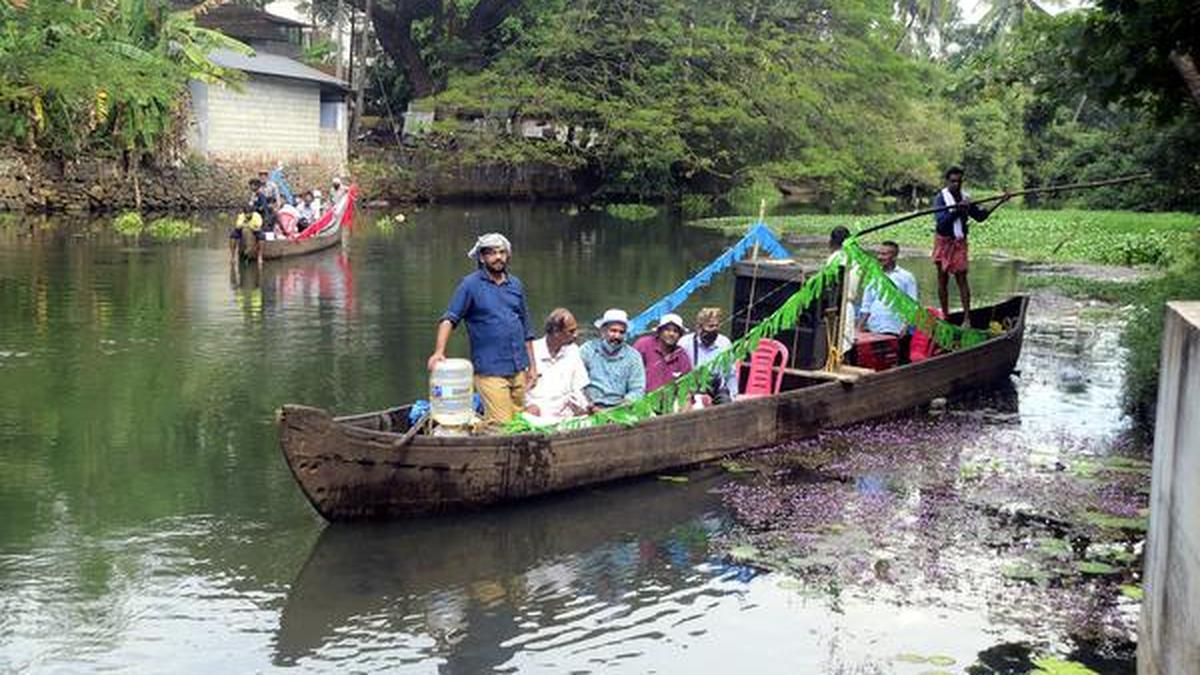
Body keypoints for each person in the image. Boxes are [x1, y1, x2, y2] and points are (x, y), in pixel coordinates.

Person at [428, 233, 536, 427]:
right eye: (492, 253)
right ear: (482, 257)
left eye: (502, 252)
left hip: (518, 367)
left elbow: (526, 328)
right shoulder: (470, 285)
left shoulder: (515, 285)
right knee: (502, 425)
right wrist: (439, 351)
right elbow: (449, 319)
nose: (498, 257)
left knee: (519, 422)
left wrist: (532, 367)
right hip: (490, 370)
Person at [933, 166, 1011, 326]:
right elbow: (941, 223)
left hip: (959, 243)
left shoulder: (966, 198)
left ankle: (967, 318)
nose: (956, 184)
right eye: (953, 181)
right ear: (947, 181)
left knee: (962, 278)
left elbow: (980, 217)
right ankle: (945, 315)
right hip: (943, 242)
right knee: (942, 279)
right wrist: (957, 210)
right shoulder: (940, 198)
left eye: (959, 181)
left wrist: (1000, 202)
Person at [524, 308, 590, 422]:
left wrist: (586, 407)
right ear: (556, 332)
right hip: (536, 414)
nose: (576, 335)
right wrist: (529, 407)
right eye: (571, 331)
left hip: (565, 415)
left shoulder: (573, 351)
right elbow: (520, 390)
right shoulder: (532, 351)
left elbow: (579, 388)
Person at [857, 241, 919, 358]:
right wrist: (859, 328)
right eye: (879, 253)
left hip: (896, 330)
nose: (880, 257)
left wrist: (905, 328)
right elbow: (866, 305)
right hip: (874, 328)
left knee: (897, 361)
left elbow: (913, 306)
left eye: (884, 254)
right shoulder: (873, 276)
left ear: (894, 256)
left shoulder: (906, 277)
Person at [580, 309, 645, 409]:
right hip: (589, 406)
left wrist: (623, 405)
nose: (617, 336)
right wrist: (588, 404)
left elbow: (637, 389)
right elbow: (576, 382)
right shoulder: (587, 350)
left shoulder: (633, 356)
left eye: (621, 332)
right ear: (603, 331)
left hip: (619, 407)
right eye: (613, 331)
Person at [678, 307, 737, 404]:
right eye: (710, 326)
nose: (714, 329)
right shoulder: (685, 343)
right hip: (692, 388)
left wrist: (733, 395)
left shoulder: (725, 343)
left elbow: (731, 373)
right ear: (699, 328)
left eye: (717, 326)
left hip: (717, 390)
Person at [825, 225, 862, 363]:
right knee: (843, 342)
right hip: (846, 304)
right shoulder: (856, 258)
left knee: (838, 342)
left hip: (840, 305)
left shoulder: (836, 257)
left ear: (832, 241)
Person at [633, 313, 693, 393]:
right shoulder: (643, 345)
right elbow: (629, 370)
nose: (671, 334)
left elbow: (686, 385)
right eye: (667, 330)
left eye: (675, 331)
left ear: (680, 335)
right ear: (659, 332)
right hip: (641, 396)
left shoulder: (682, 356)